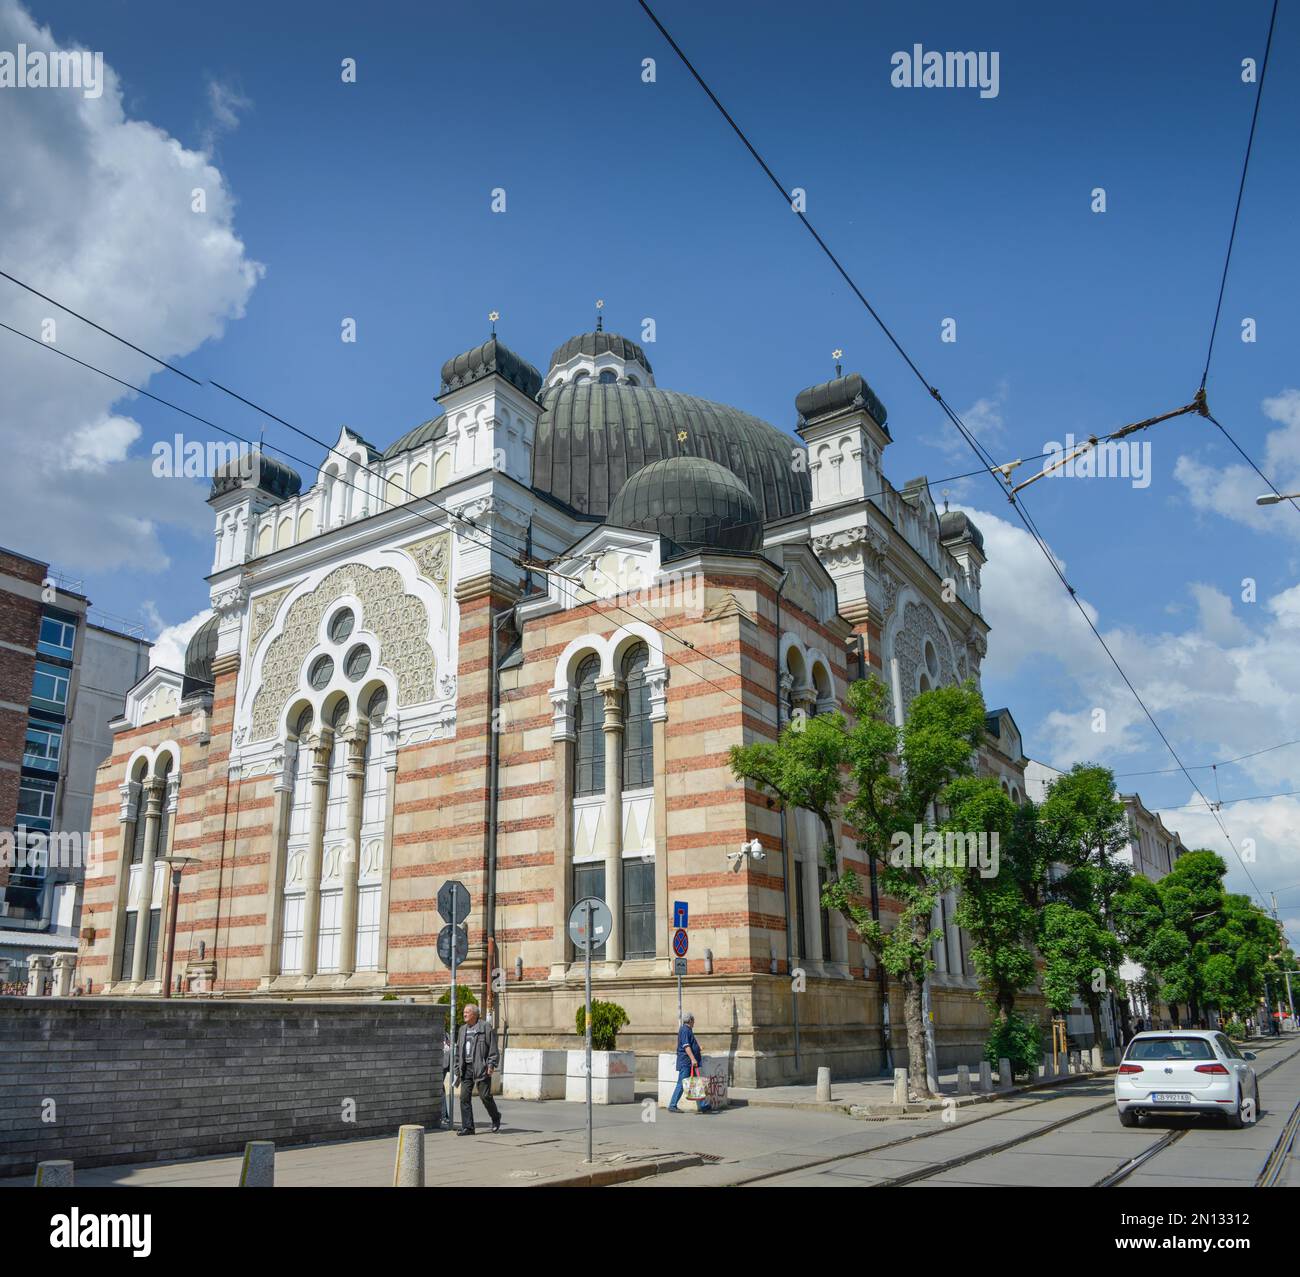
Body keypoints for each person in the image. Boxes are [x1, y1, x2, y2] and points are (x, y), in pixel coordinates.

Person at [455, 1003, 501, 1135]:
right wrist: (457, 1066)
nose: (464, 1014)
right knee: (464, 1098)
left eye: (467, 1012)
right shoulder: (462, 1029)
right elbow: (458, 1050)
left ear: (474, 1014)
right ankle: (468, 1127)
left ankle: (496, 1117)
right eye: (464, 1012)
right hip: (466, 1068)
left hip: (481, 1067)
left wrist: (491, 1064)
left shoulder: (484, 1027)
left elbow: (492, 1047)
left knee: (485, 1096)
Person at [667, 1012, 711, 1113]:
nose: (694, 1022)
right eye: (693, 1020)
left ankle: (703, 1105)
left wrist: (698, 1048)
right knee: (682, 1083)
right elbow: (686, 1046)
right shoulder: (685, 1030)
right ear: (690, 1020)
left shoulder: (687, 1030)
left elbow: (690, 1045)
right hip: (686, 1062)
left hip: (690, 1062)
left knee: (696, 1083)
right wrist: (693, 1058)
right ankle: (672, 1105)